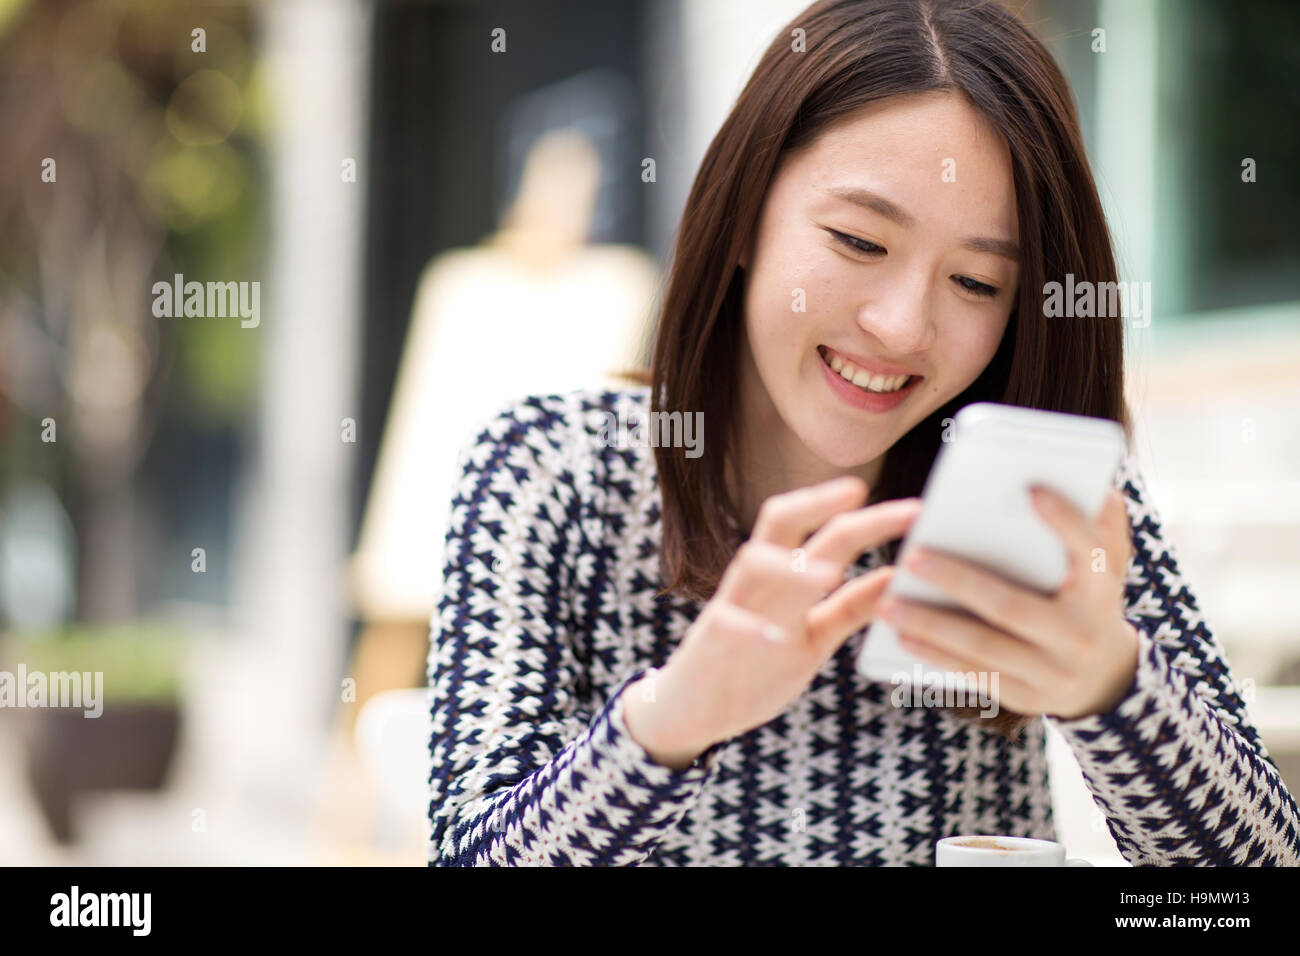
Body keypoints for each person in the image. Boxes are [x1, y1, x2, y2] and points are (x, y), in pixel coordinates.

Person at [426, 0, 1300, 865]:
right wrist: (674, 719)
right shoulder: (549, 473)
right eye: (859, 241)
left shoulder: (1040, 501)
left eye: (976, 283)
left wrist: (1114, 691)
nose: (903, 327)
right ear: (742, 212)